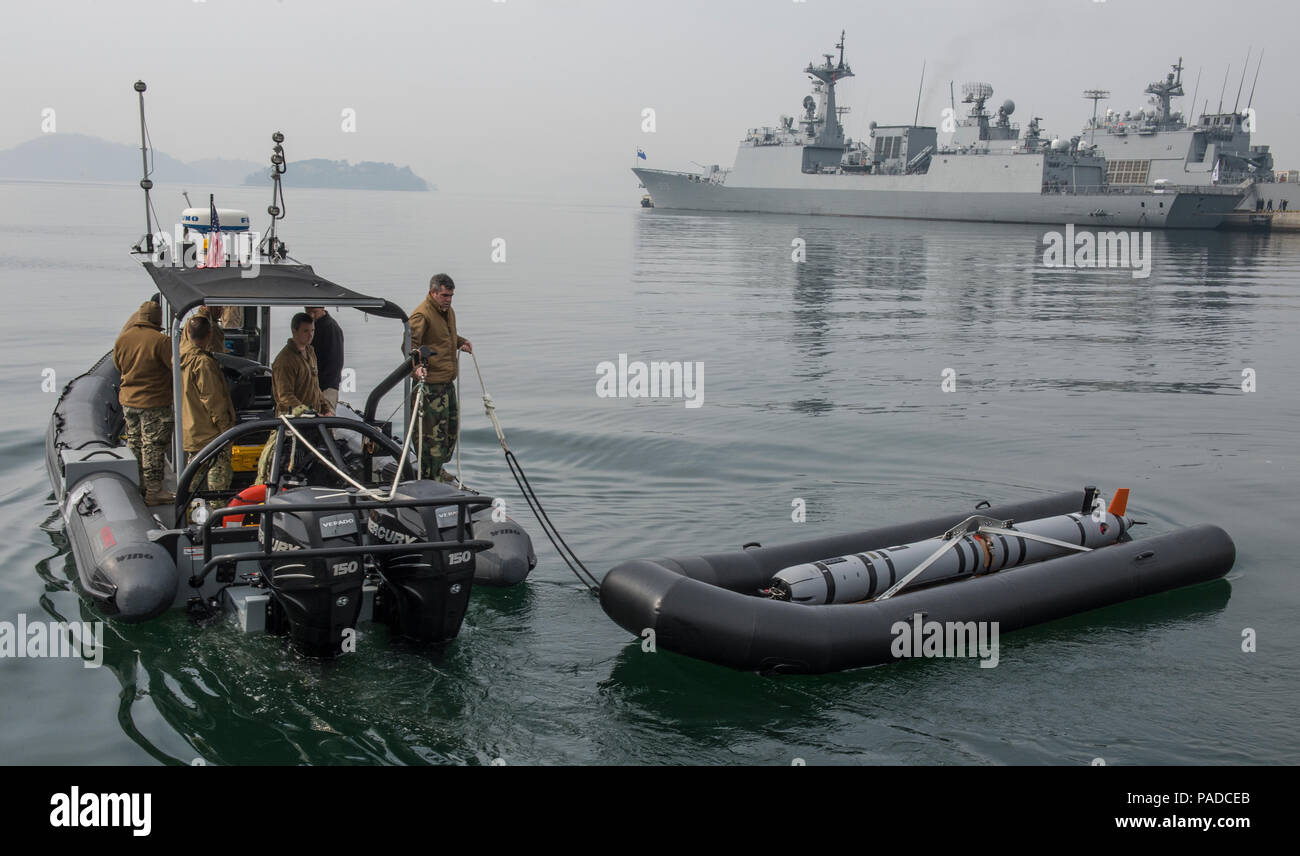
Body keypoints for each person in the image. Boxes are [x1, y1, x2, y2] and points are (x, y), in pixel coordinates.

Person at [407, 273, 471, 481]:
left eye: (451, 295)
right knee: (431, 437)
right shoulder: (421, 315)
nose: (449, 299)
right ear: (433, 292)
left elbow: (443, 338)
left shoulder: (447, 312)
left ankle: (438, 469)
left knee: (449, 431)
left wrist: (460, 342)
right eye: (444, 295)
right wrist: (416, 368)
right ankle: (428, 475)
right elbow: (409, 346)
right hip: (430, 387)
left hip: (447, 383)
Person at [113, 300, 175, 504]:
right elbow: (175, 367)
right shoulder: (161, 341)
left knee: (135, 443)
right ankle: (154, 491)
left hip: (129, 401)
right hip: (154, 402)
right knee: (153, 446)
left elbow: (117, 365)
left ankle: (137, 484)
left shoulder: (123, 339)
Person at [180, 315, 236, 492]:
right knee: (218, 483)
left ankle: (189, 514)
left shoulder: (181, 357)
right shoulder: (203, 363)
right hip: (210, 434)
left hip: (192, 430)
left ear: (188, 332)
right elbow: (213, 400)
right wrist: (226, 430)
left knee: (193, 481)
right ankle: (217, 515)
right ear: (210, 334)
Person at [271, 312, 333, 416]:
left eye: (312, 330)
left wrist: (325, 409)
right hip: (293, 421)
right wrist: (307, 413)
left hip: (313, 419)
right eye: (306, 331)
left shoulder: (310, 352)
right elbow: (285, 396)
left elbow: (315, 386)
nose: (310, 335)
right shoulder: (284, 360)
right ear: (294, 331)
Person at [305, 306, 344, 411]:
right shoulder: (313, 327)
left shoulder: (331, 328)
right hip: (314, 388)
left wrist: (320, 388)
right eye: (308, 312)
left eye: (314, 312)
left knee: (326, 419)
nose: (311, 316)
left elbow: (335, 363)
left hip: (327, 388)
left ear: (322, 308)